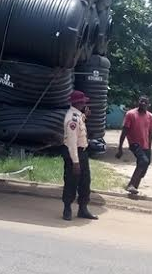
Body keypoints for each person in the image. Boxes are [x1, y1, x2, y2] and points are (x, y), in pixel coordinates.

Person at [61, 91, 98, 221]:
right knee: (71, 181)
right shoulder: (72, 119)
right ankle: (67, 209)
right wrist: (75, 162)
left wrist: (84, 116)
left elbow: (80, 124)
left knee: (85, 182)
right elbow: (72, 143)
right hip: (74, 153)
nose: (85, 103)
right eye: (82, 102)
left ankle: (83, 209)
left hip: (82, 152)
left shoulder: (78, 116)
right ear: (77, 103)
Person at [116, 95, 152, 195]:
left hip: (145, 145)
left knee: (145, 164)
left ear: (148, 105)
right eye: (141, 101)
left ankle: (134, 187)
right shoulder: (130, 114)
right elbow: (124, 131)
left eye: (145, 102)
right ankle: (131, 185)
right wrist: (120, 148)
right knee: (143, 160)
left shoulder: (150, 116)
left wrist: (149, 148)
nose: (143, 104)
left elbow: (150, 133)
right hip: (134, 143)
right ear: (138, 102)